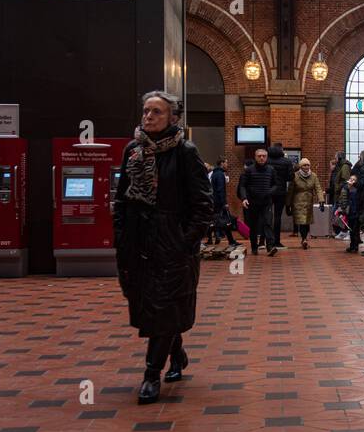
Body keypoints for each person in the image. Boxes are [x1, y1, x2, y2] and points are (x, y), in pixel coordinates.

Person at [112, 90, 213, 405]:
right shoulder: (133, 150)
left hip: (171, 245)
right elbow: (122, 198)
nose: (149, 117)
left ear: (172, 117)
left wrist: (184, 241)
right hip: (138, 242)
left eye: (156, 112)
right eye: (146, 111)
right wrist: (120, 235)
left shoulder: (185, 152)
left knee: (165, 303)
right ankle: (177, 352)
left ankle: (151, 374)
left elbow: (203, 204)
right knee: (147, 304)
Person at [237, 148, 278, 256]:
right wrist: (244, 198)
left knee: (268, 223)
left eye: (264, 156)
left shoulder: (271, 170)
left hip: (266, 202)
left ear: (267, 157)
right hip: (252, 202)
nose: (261, 158)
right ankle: (254, 246)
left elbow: (276, 185)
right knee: (253, 226)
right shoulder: (249, 170)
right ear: (255, 157)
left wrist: (270, 191)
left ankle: (270, 246)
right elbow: (242, 186)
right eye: (259, 156)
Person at [286, 157, 324, 250]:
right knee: (302, 221)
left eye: (308, 165)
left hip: (309, 202)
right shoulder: (295, 176)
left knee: (307, 222)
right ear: (300, 166)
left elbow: (318, 188)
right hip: (297, 202)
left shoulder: (314, 176)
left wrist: (321, 200)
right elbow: (290, 190)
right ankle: (304, 239)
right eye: (304, 165)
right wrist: (288, 204)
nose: (306, 167)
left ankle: (304, 238)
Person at [205, 157, 238, 248]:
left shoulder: (214, 173)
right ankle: (228, 240)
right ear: (222, 163)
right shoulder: (220, 174)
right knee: (223, 221)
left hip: (214, 201)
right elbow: (220, 190)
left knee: (219, 220)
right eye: (226, 163)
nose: (227, 165)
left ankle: (213, 239)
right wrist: (224, 203)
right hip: (219, 202)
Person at [266, 143, 292, 249]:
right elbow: (290, 177)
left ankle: (265, 241)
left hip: (268, 191)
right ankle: (277, 241)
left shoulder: (266, 161)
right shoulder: (286, 161)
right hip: (280, 191)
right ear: (281, 149)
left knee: (266, 215)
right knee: (277, 216)